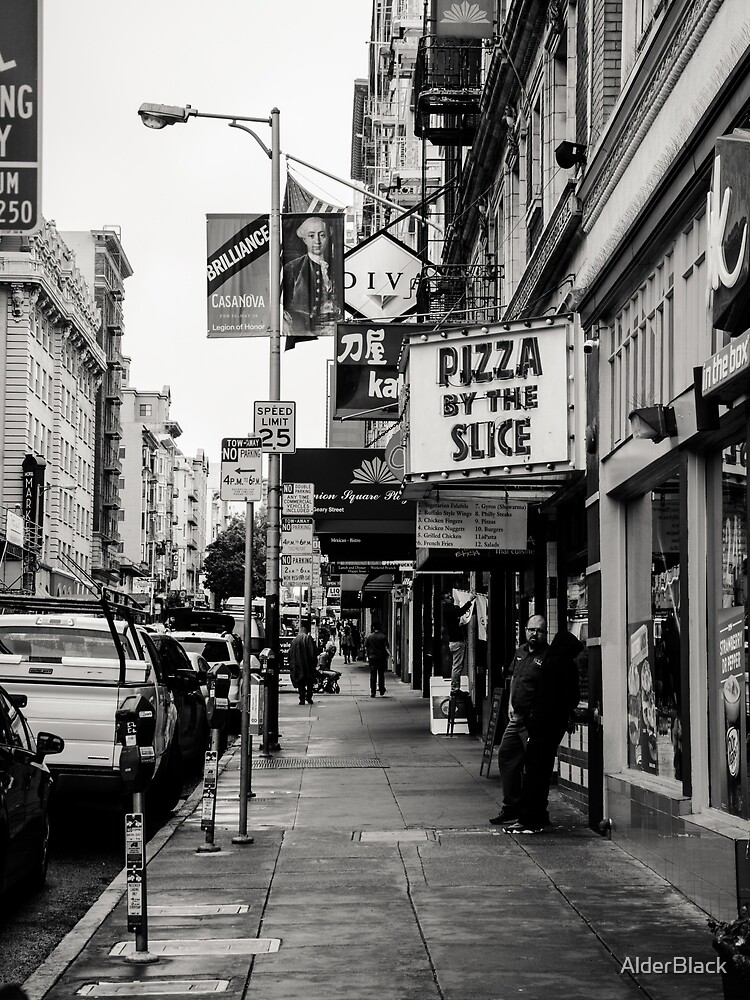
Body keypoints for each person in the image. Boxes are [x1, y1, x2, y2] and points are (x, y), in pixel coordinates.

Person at [491, 616, 582, 833]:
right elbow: (514, 678)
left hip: (535, 720)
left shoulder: (549, 657)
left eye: (539, 631)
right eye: (531, 629)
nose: (534, 634)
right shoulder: (521, 652)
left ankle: (533, 813)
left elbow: (554, 691)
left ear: (545, 633)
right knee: (506, 755)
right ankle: (512, 806)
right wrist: (511, 703)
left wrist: (561, 715)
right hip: (518, 716)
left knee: (535, 768)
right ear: (525, 630)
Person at [282, 216, 342, 338]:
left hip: (338, 331)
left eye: (322, 235)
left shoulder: (339, 266)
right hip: (307, 330)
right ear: (304, 239)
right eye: (311, 236)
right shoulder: (293, 268)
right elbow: (281, 302)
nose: (317, 241)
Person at [442, 588, 476, 694]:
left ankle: (456, 687)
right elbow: (460, 611)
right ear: (444, 601)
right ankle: (454, 688)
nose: (450, 598)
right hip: (456, 641)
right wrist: (469, 600)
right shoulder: (449, 610)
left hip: (455, 641)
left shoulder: (450, 609)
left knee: (458, 666)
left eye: (450, 596)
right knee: (457, 666)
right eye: (447, 597)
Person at [288, 622, 318, 706]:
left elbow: (290, 655)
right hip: (307, 665)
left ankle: (301, 698)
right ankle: (308, 697)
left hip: (297, 666)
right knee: (309, 682)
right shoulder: (308, 638)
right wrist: (314, 664)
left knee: (300, 683)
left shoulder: (294, 640)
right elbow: (313, 653)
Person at [365, 620, 390, 697]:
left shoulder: (369, 637)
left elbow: (366, 647)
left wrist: (367, 655)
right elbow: (386, 647)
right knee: (381, 674)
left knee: (373, 674)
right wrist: (391, 656)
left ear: (373, 627)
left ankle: (373, 692)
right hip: (381, 657)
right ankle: (381, 689)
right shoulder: (383, 636)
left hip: (372, 658)